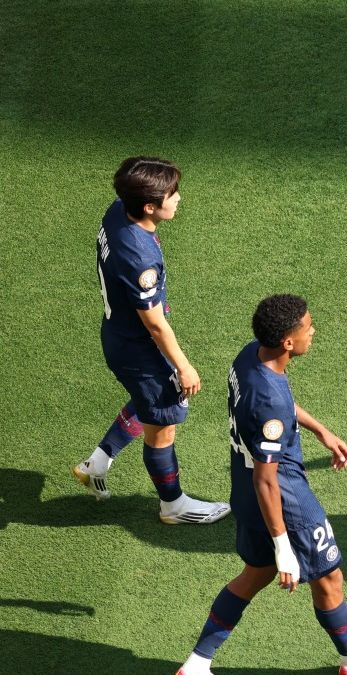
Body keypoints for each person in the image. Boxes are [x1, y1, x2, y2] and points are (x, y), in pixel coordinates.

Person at [177, 294, 347, 675]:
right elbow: (267, 478)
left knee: (255, 573)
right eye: (308, 326)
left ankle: (197, 663)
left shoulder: (251, 356)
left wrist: (320, 430)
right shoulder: (268, 403)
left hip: (244, 491)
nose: (313, 331)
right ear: (287, 342)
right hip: (285, 499)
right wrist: (284, 547)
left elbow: (280, 402)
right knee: (329, 575)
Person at [74, 156, 229, 524]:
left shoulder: (117, 211)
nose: (178, 199)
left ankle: (96, 462)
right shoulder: (140, 257)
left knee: (151, 400)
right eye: (172, 194)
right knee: (164, 422)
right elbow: (156, 326)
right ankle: (172, 506)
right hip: (138, 345)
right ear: (149, 206)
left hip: (119, 334)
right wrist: (184, 366)